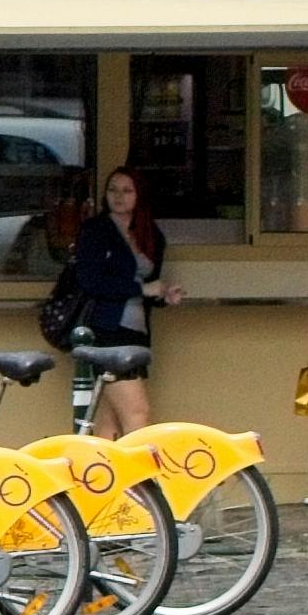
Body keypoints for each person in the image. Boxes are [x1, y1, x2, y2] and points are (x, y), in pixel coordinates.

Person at [69, 164, 182, 436]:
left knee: (109, 422)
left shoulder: (151, 234)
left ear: (139, 195)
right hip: (105, 330)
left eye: (127, 191)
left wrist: (164, 297)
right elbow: (90, 282)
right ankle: (139, 478)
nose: (118, 196)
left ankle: (104, 477)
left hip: (137, 333)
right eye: (112, 190)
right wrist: (142, 289)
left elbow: (147, 289)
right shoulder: (96, 230)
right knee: (137, 413)